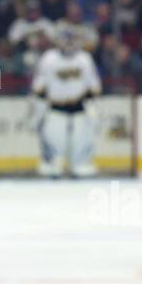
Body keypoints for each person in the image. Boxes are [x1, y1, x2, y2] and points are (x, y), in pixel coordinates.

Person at [31, 26, 102, 178]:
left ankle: (80, 163)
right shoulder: (49, 58)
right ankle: (53, 164)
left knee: (82, 140)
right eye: (65, 39)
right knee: (54, 142)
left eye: (71, 40)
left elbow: (94, 86)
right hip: (56, 107)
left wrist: (91, 102)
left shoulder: (84, 58)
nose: (68, 43)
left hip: (79, 108)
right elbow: (38, 87)